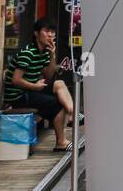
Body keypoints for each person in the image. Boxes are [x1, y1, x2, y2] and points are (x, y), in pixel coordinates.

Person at [5, 19, 75, 151]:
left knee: (59, 83)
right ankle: (61, 142)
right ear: (36, 34)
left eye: (52, 32)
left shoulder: (43, 52)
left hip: (30, 92)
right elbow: (16, 80)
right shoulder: (28, 53)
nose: (50, 35)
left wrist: (52, 55)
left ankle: (72, 113)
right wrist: (35, 87)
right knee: (57, 104)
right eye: (46, 31)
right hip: (18, 97)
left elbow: (48, 75)